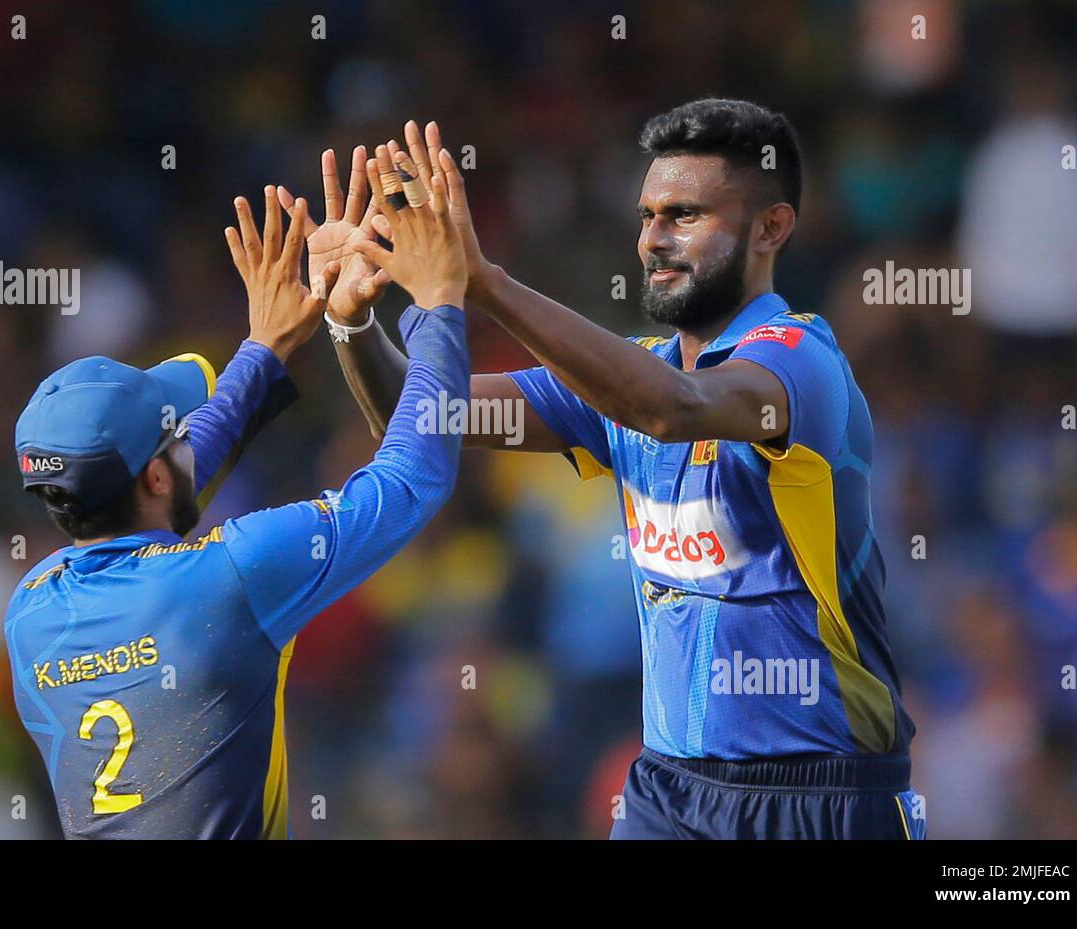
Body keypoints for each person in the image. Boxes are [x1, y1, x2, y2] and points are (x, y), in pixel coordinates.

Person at [305, 100, 924, 839]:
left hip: (819, 794)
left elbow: (673, 410)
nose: (653, 241)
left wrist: (484, 282)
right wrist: (351, 321)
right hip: (668, 790)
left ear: (771, 228)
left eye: (684, 216)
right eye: (647, 216)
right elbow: (418, 415)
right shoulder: (625, 378)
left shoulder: (801, 363)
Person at [4, 175, 468, 839]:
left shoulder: (29, 609)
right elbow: (414, 478)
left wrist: (267, 346)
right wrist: (437, 300)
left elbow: (170, 482)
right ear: (158, 476)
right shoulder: (234, 573)